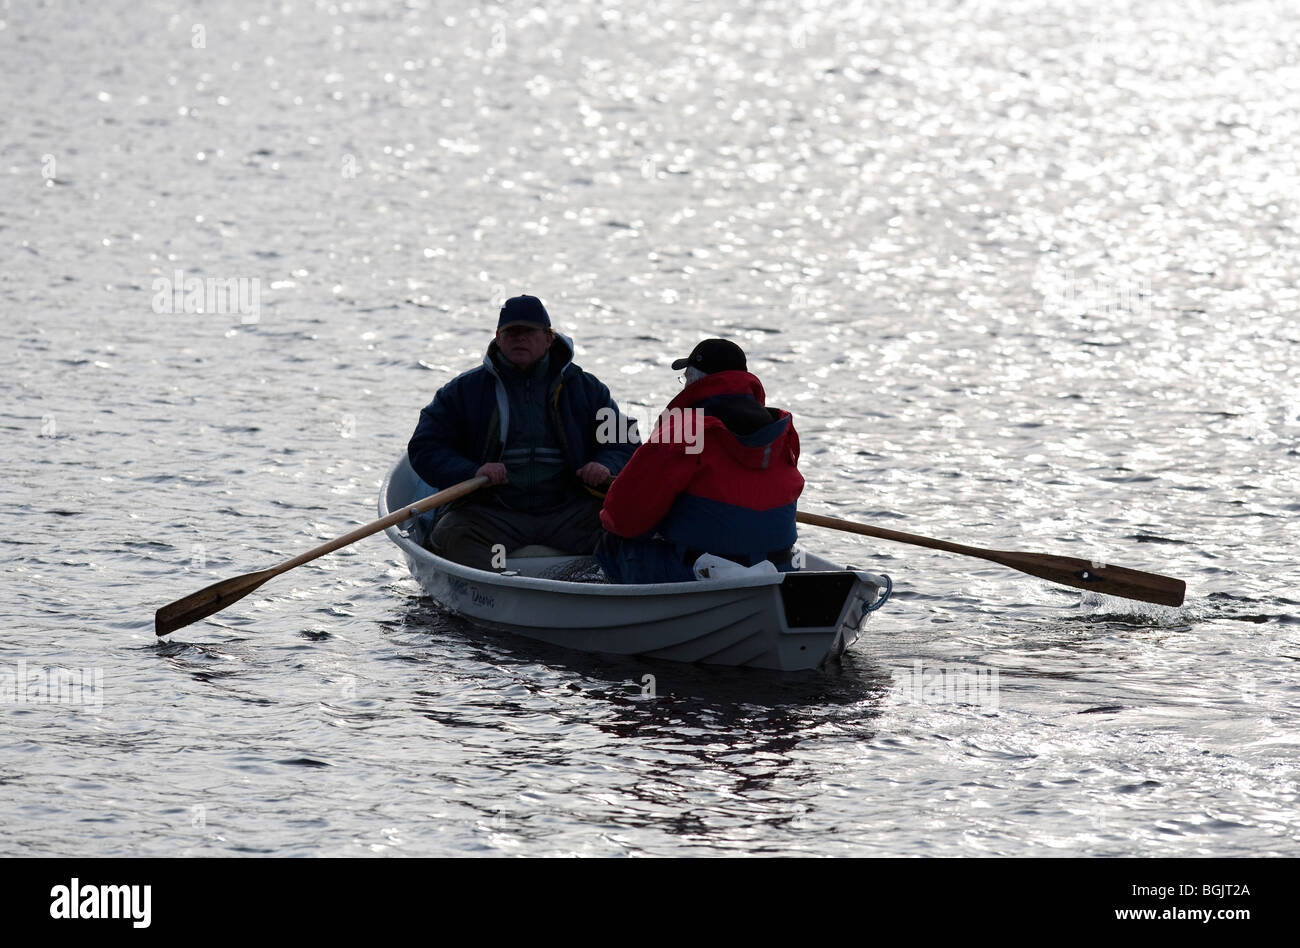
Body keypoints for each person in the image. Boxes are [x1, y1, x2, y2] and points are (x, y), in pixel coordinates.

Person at [407, 295, 639, 569]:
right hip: (491, 512)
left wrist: (604, 464)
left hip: (569, 509)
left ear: (549, 338)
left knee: (629, 526)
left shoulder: (586, 389)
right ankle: (497, 591)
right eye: (511, 333)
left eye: (528, 332)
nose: (519, 339)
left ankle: (602, 591)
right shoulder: (463, 391)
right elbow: (426, 448)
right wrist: (473, 470)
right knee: (453, 535)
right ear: (497, 338)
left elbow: (624, 442)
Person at [595, 339, 804, 583]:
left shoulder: (684, 429)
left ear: (696, 379)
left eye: (684, 377)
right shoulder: (781, 429)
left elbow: (624, 516)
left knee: (612, 541)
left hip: (700, 572)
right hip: (778, 568)